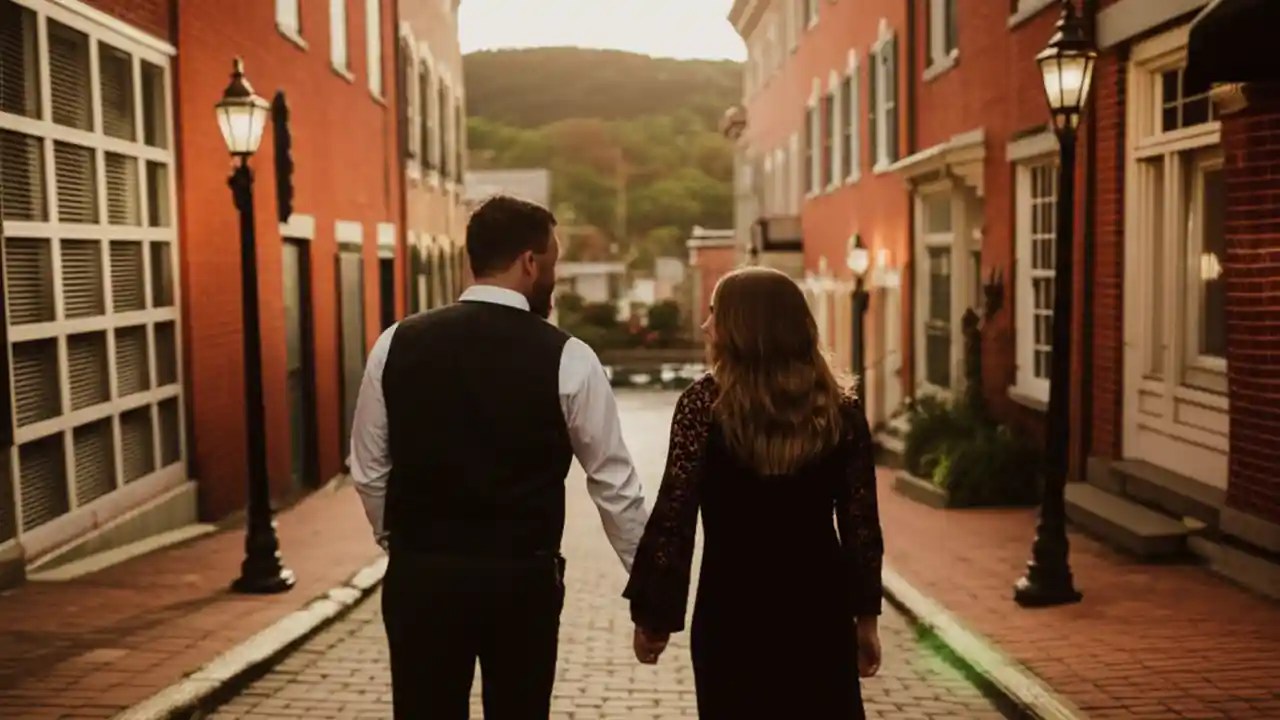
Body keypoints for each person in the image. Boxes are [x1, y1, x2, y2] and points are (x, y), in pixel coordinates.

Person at [348, 195, 649, 719]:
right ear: (530, 262)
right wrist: (650, 591)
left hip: (422, 577)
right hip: (520, 582)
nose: (553, 277)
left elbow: (370, 468)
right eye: (552, 263)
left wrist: (398, 538)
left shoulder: (396, 342)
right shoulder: (569, 356)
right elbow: (614, 485)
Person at [623, 266, 885, 719]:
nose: (706, 327)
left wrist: (654, 616)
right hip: (817, 610)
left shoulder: (703, 407)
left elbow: (674, 516)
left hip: (732, 610)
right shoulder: (840, 410)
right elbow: (860, 525)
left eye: (715, 314)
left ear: (744, 328)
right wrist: (866, 619)